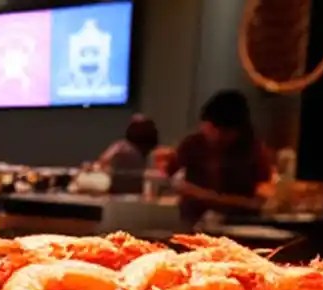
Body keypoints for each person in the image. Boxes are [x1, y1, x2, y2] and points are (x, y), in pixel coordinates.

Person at [167, 90, 272, 224]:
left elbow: (258, 202)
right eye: (212, 128)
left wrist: (203, 195)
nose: (216, 136)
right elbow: (170, 178)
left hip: (240, 225)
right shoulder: (191, 145)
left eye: (225, 132)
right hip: (192, 224)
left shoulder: (254, 151)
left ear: (239, 131)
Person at [96, 114, 159, 194]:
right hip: (135, 194)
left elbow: (102, 161)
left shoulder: (119, 147)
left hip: (120, 194)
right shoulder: (121, 147)